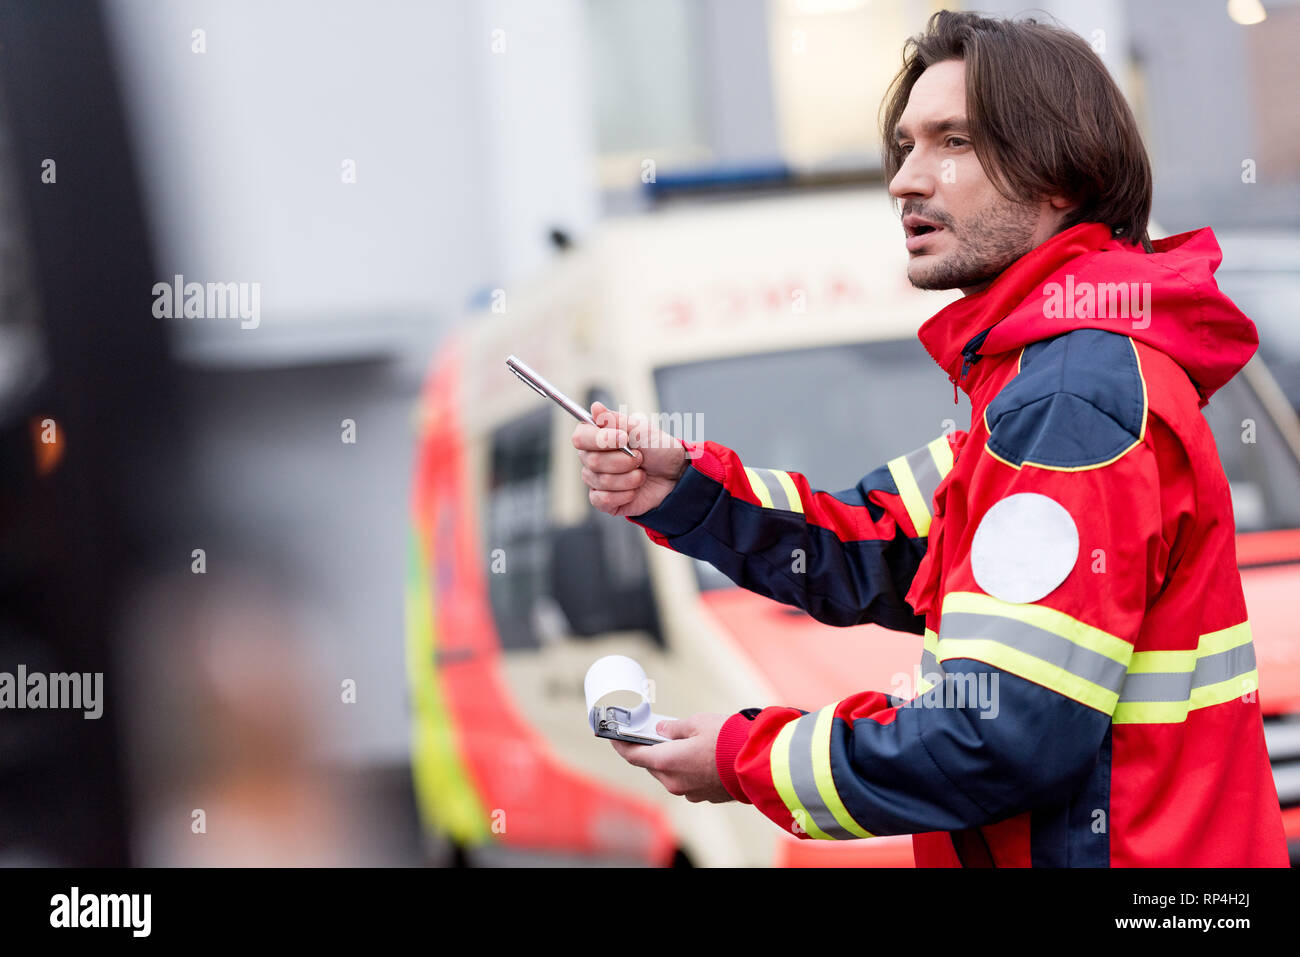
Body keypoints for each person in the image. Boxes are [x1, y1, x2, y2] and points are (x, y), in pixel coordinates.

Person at [570, 10, 1288, 867]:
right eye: (905, 146)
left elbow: (997, 736)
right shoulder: (1042, 386)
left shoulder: (1069, 400)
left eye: (951, 142)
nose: (906, 180)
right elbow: (874, 541)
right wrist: (684, 488)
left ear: (1061, 176)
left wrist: (742, 755)